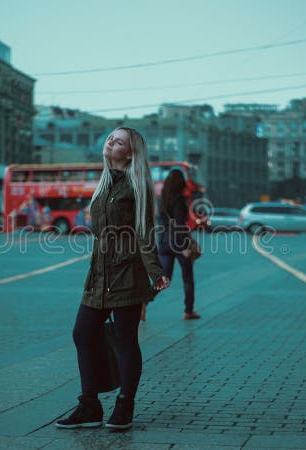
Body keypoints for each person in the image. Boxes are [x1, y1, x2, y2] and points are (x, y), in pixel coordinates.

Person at [56, 127, 170, 431]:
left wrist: (155, 272)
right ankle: (90, 406)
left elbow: (144, 232)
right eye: (109, 138)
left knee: (125, 341)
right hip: (98, 273)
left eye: (118, 141)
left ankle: (125, 404)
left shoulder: (137, 186)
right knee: (82, 333)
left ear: (130, 153)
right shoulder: (104, 184)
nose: (110, 142)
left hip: (127, 273)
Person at [156, 169, 199, 320]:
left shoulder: (161, 201)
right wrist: (186, 247)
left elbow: (160, 222)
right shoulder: (179, 200)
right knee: (187, 276)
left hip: (163, 243)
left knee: (164, 278)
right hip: (178, 243)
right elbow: (180, 224)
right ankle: (188, 310)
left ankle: (143, 302)